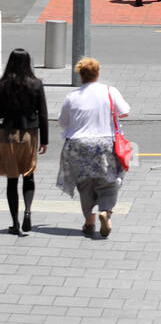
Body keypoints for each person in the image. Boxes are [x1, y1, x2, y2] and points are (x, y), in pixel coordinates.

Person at [57, 58, 130, 239]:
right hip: (105, 142)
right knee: (109, 182)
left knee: (85, 184)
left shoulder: (72, 97)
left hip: (78, 145)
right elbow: (125, 111)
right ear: (98, 73)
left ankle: (89, 222)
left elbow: (62, 122)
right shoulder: (109, 91)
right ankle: (106, 212)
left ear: (81, 75)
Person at [0, 49, 47, 237]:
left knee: (12, 180)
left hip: (7, 135)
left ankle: (15, 222)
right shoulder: (36, 84)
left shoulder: (2, 85)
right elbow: (43, 113)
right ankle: (28, 210)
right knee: (29, 175)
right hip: (29, 134)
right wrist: (44, 140)